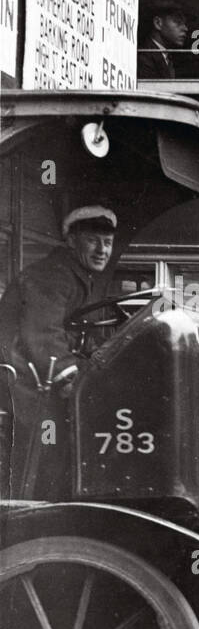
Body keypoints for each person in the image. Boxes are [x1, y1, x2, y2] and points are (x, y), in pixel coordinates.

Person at [0, 204, 116, 494]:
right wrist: (71, 377)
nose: (102, 249)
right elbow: (43, 333)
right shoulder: (53, 275)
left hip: (34, 383)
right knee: (48, 458)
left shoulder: (76, 276)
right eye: (93, 240)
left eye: (108, 243)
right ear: (72, 241)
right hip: (23, 388)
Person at [137, 1, 190, 80]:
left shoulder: (167, 56)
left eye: (185, 23)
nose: (185, 29)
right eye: (178, 22)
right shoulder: (144, 58)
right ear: (158, 23)